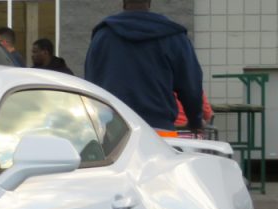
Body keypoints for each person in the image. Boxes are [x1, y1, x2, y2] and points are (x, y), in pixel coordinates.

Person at [84, 0, 204, 131]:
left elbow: (91, 86)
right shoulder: (173, 36)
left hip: (114, 131)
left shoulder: (103, 36)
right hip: (159, 130)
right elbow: (191, 87)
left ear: (123, 2)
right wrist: (195, 121)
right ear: (150, 2)